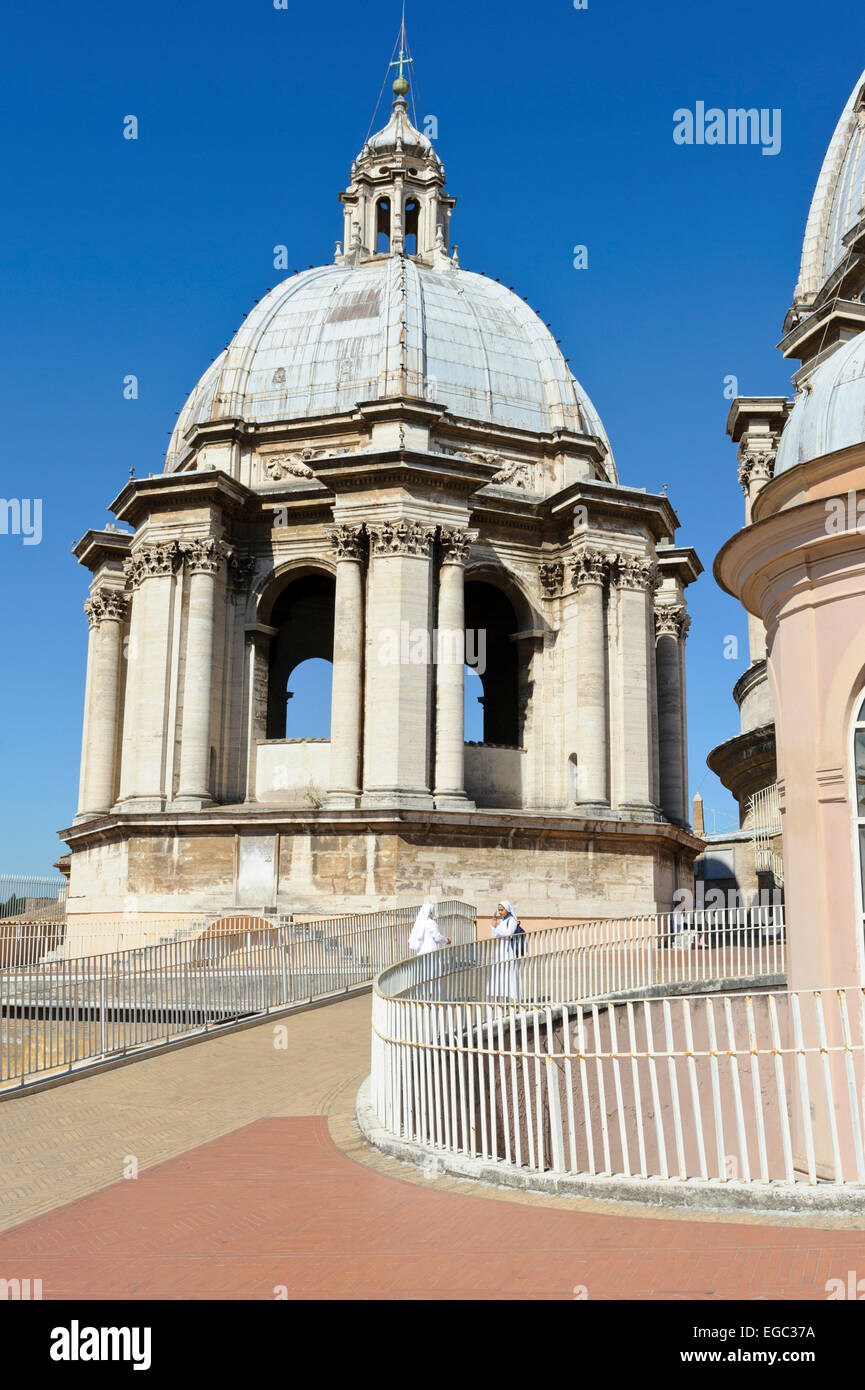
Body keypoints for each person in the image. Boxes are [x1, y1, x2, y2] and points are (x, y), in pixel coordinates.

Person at [489, 900, 524, 1000]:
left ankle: (512, 997)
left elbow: (509, 933)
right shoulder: (502, 921)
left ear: (507, 909)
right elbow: (495, 936)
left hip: (509, 950)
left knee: (510, 973)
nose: (500, 912)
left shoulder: (512, 920)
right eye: (499, 910)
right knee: (498, 972)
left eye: (502, 910)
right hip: (500, 949)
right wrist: (494, 926)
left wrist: (498, 928)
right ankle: (498, 998)